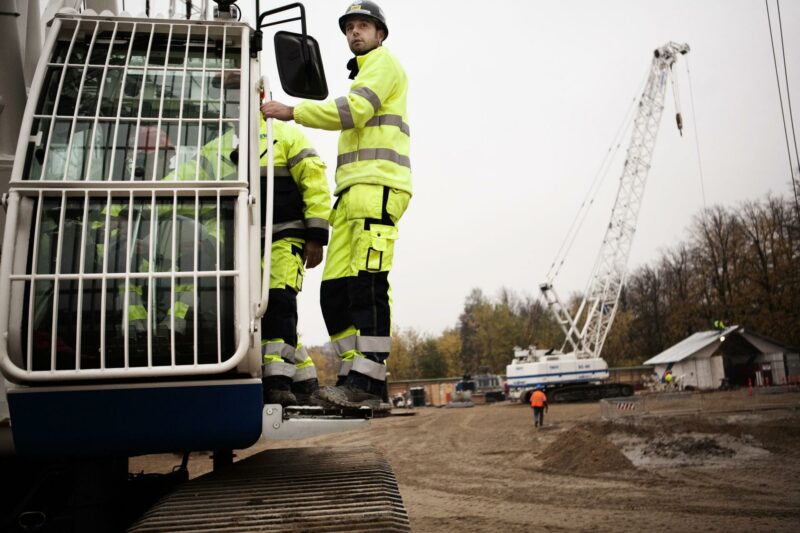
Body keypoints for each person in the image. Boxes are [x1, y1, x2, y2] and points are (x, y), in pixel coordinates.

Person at [262, 1, 411, 412]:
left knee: (367, 284)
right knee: (334, 293)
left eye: (363, 26)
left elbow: (352, 111)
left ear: (380, 34)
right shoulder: (366, 71)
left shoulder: (383, 64)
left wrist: (292, 111)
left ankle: (369, 382)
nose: (355, 33)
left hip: (378, 187)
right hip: (352, 194)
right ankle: (351, 377)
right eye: (349, 27)